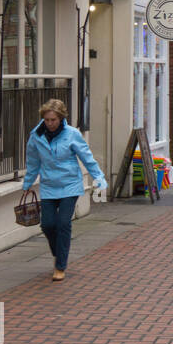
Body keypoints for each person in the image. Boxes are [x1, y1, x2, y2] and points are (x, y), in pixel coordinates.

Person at [20, 98, 107, 281]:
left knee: (63, 223)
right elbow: (33, 162)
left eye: (53, 120)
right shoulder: (36, 136)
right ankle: (58, 252)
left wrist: (99, 178)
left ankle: (60, 266)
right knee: (47, 225)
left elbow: (87, 157)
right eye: (46, 120)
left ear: (61, 118)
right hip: (49, 185)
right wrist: (27, 184)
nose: (50, 123)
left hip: (70, 185)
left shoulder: (72, 134)